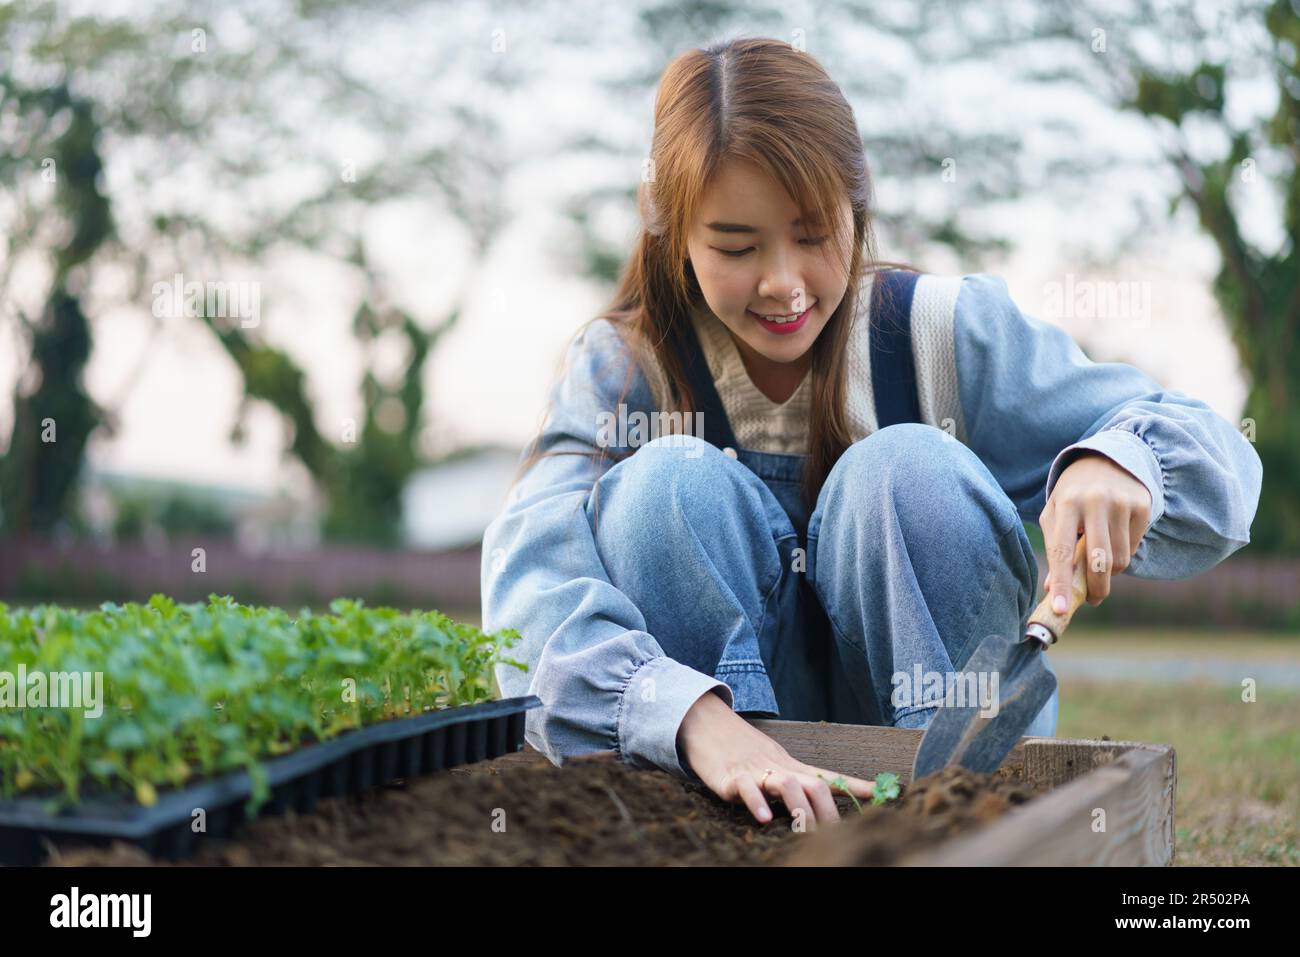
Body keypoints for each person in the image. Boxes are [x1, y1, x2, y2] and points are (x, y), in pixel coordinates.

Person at [479, 37, 1263, 829]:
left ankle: (953, 818)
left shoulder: (935, 333)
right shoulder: (625, 368)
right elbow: (526, 582)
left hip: (939, 769)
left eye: (813, 234)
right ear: (674, 236)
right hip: (716, 777)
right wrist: (685, 713)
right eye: (736, 246)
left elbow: (1215, 455)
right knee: (665, 485)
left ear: (857, 213)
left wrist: (1117, 460)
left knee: (904, 469)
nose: (782, 283)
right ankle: (739, 828)